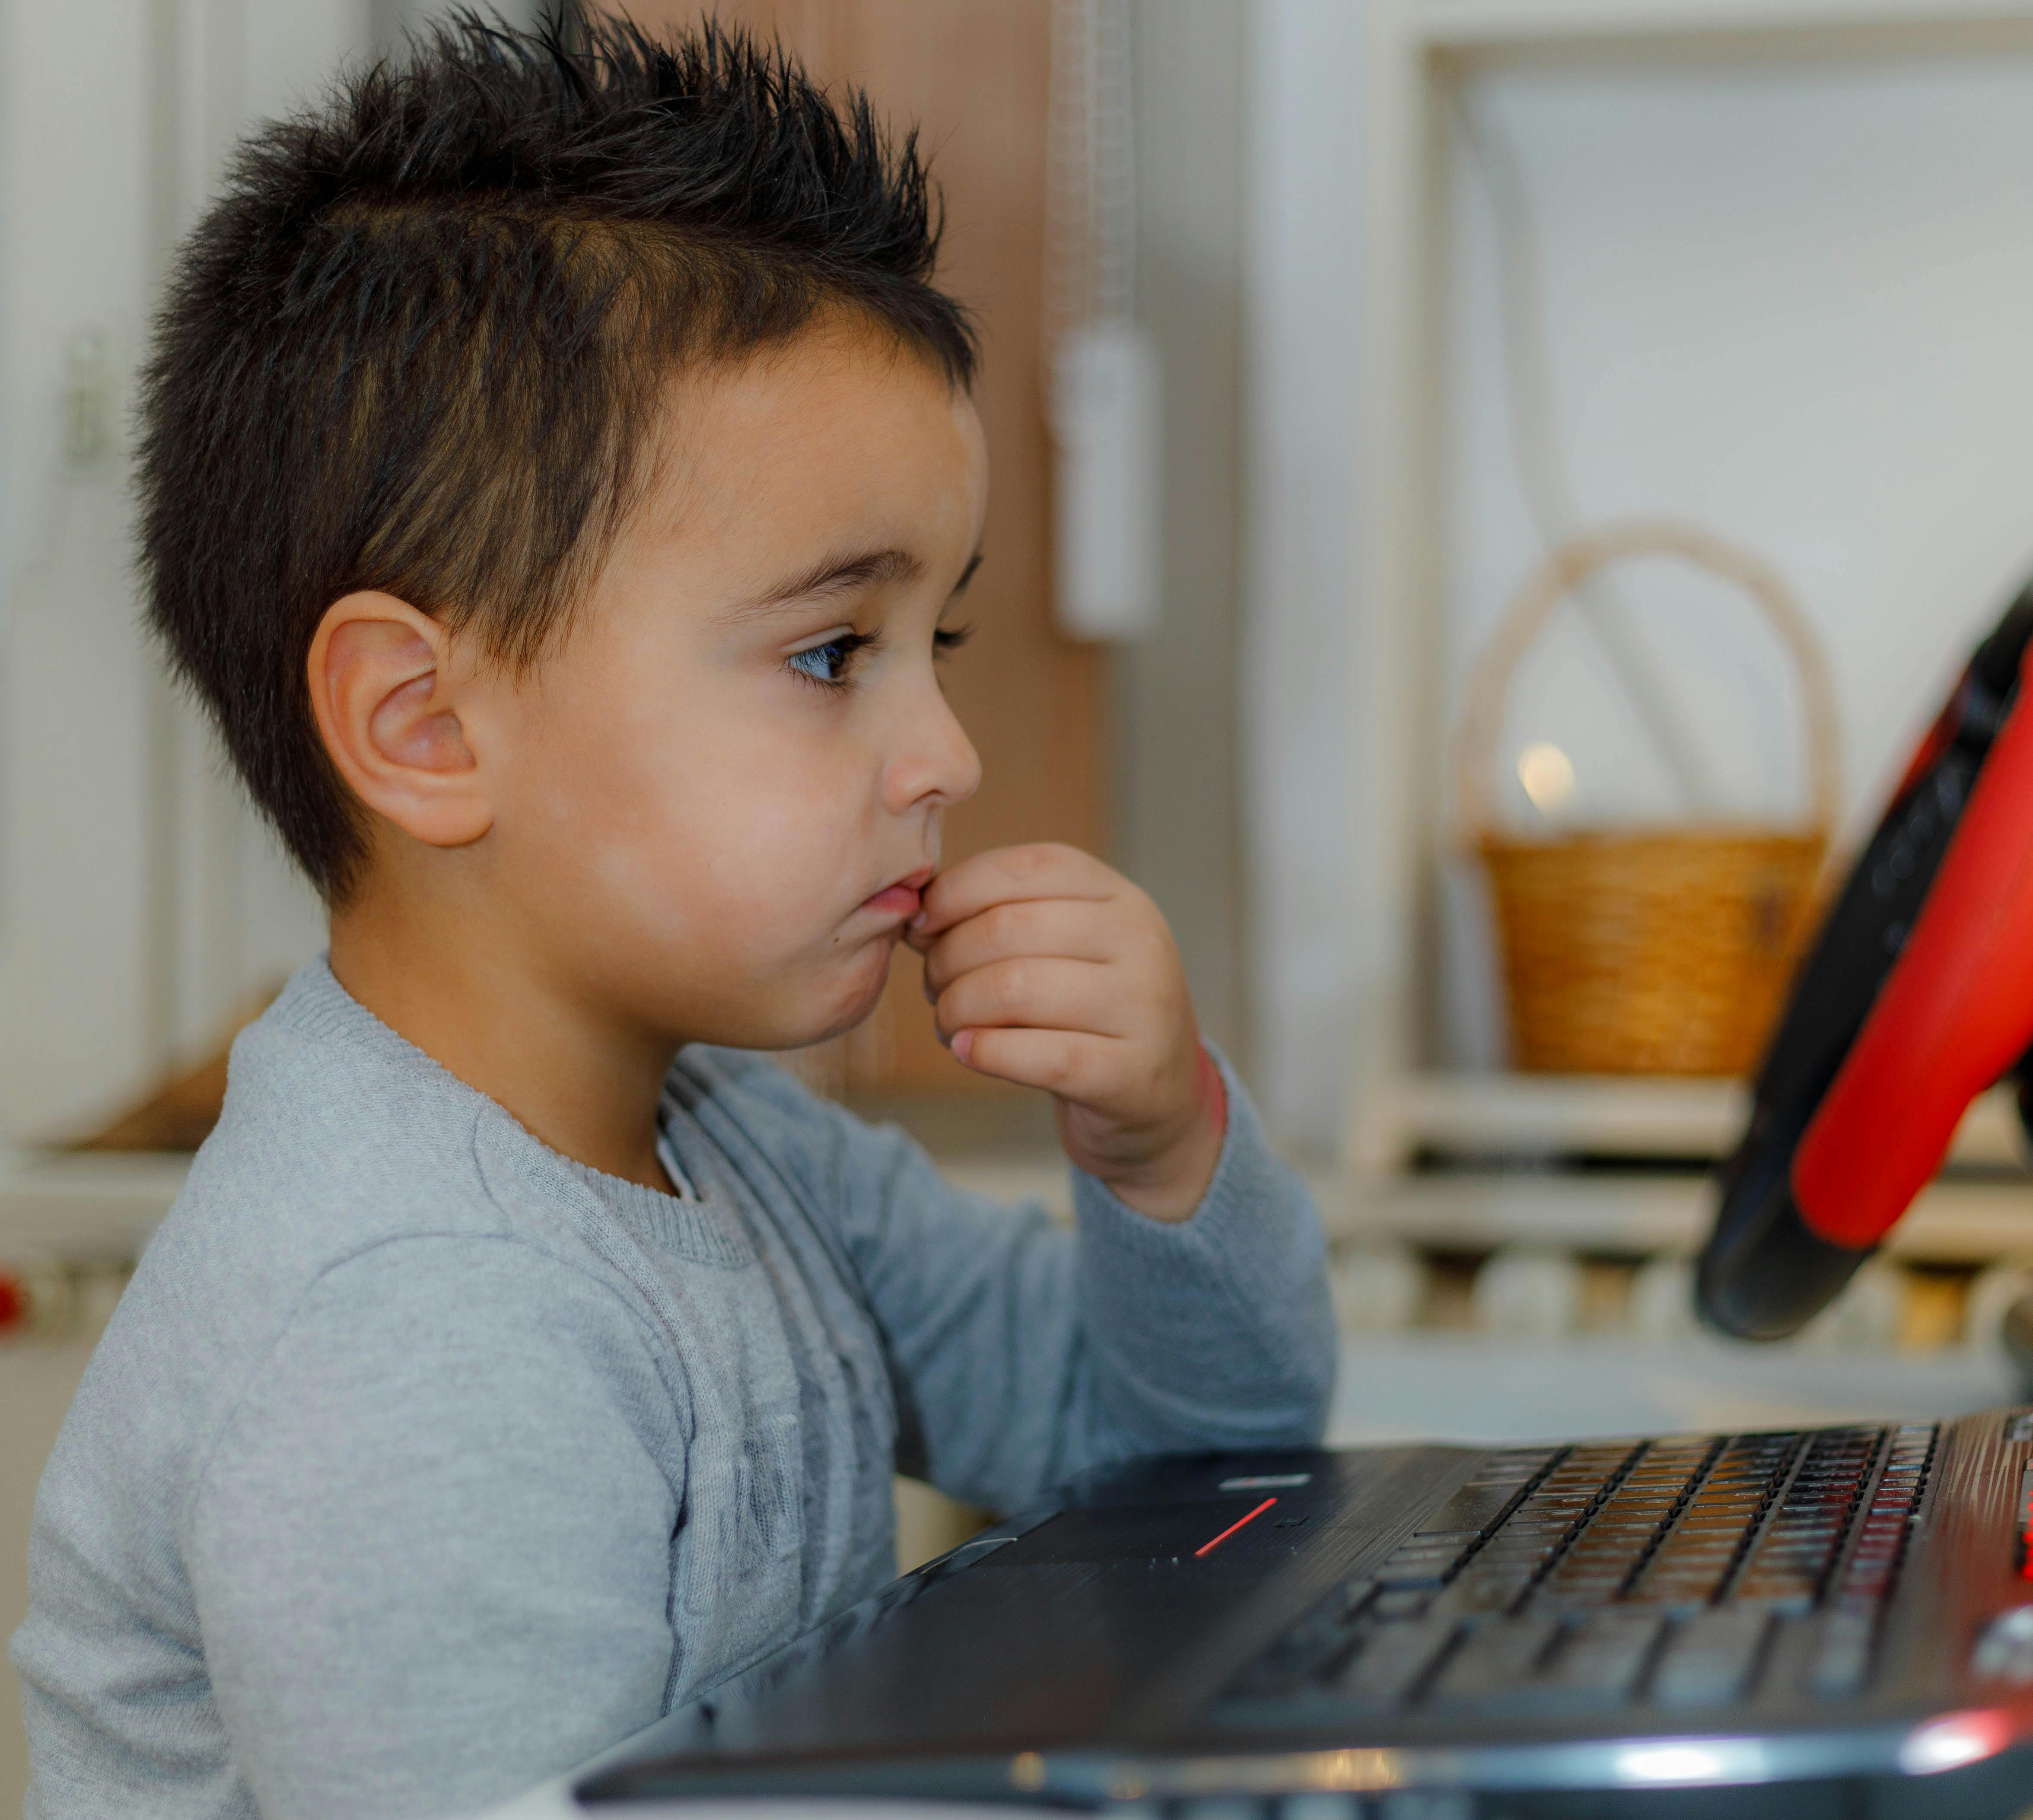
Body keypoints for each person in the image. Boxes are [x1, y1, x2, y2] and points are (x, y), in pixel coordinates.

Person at [10, 16, 1335, 1818]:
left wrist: (1166, 1147)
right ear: (426, 728)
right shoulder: (409, 1326)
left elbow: (1190, 1452)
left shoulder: (740, 1145)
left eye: (927, 643)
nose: (941, 749)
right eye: (827, 652)